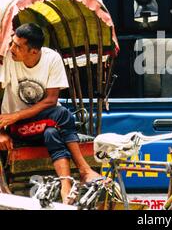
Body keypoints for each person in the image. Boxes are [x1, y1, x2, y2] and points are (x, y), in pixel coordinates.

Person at [0, 23, 104, 204]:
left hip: (43, 123)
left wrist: (17, 115)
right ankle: (84, 169)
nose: (12, 49)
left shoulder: (52, 58)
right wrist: (1, 130)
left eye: (18, 46)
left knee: (52, 132)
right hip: (17, 128)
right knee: (62, 114)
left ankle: (65, 187)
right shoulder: (8, 58)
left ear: (33, 51)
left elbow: (50, 100)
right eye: (12, 43)